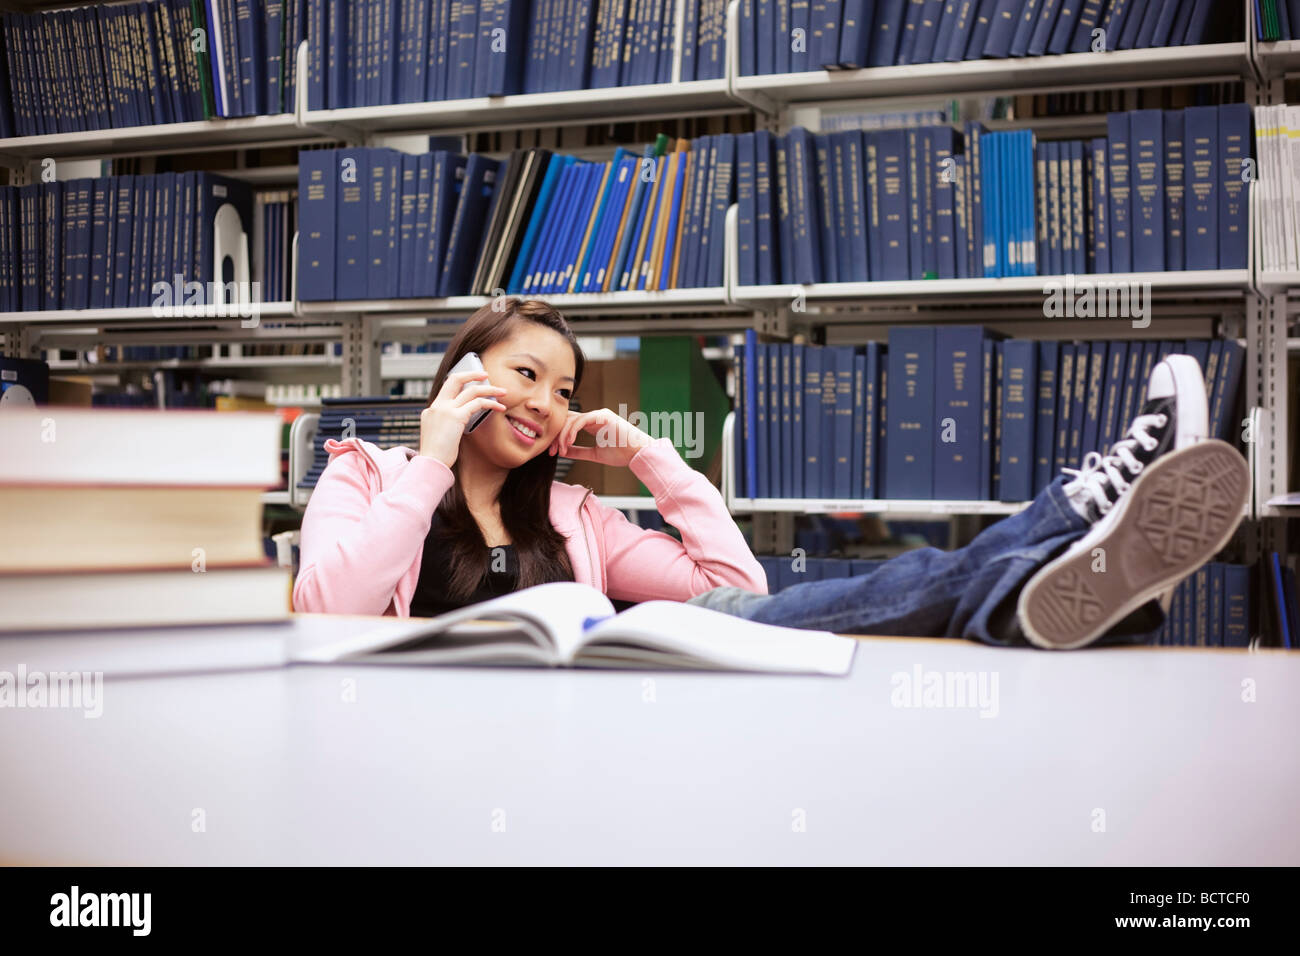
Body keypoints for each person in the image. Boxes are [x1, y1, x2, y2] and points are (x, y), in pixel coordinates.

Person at [294, 297, 1250, 651]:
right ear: (464, 376)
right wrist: (428, 460)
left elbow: (739, 593)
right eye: (524, 375)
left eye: (564, 387)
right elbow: (329, 599)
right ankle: (1055, 537)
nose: (546, 402)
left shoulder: (577, 516)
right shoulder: (368, 478)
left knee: (728, 616)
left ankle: (1047, 556)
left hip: (574, 723)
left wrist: (649, 456)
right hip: (411, 729)